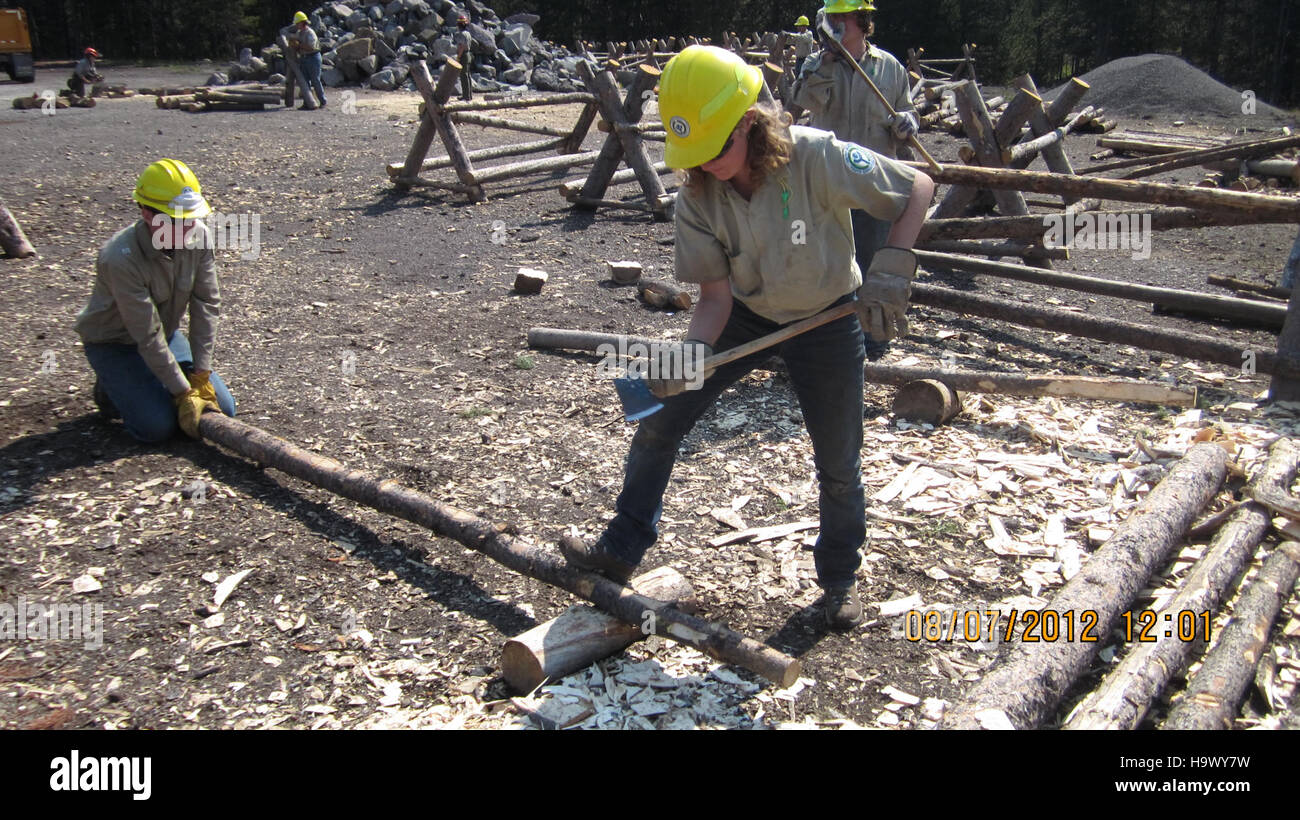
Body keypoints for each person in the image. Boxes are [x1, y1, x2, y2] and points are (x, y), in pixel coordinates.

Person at [560, 46, 933, 629]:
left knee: (839, 460)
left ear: (750, 124)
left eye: (718, 150)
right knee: (660, 418)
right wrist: (694, 356)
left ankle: (838, 579)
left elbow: (916, 188)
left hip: (828, 316)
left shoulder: (816, 155)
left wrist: (892, 265)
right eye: (697, 155)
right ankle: (620, 548)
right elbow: (714, 299)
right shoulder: (698, 196)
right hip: (748, 314)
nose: (707, 165)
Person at [76, 159, 236, 443]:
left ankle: (142, 382)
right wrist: (183, 392)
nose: (189, 229)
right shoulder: (120, 258)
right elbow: (146, 334)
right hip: (116, 344)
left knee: (224, 409)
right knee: (157, 428)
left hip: (165, 334)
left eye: (192, 218)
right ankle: (112, 386)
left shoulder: (198, 237)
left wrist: (200, 375)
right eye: (178, 220)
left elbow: (207, 305)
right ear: (147, 213)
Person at [792, 0, 919, 357]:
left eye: (840, 20)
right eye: (829, 20)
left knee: (871, 261)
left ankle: (874, 339)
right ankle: (823, 338)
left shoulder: (889, 67)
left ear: (862, 22)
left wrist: (908, 122)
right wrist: (824, 66)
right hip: (827, 184)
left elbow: (904, 107)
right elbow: (800, 100)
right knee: (824, 261)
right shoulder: (818, 63)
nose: (833, 26)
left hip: (874, 185)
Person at [289, 11, 326, 108]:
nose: (296, 25)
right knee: (305, 81)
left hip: (313, 58)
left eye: (298, 23)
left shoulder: (310, 33)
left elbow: (311, 47)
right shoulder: (299, 33)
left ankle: (323, 101)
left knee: (315, 80)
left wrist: (299, 45)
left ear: (302, 22)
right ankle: (307, 102)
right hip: (304, 58)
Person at [454, 14, 474, 101]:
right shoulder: (468, 34)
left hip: (464, 55)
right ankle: (469, 95)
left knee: (463, 76)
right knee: (468, 75)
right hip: (469, 54)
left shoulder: (461, 34)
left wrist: (458, 57)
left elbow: (461, 47)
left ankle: (466, 96)